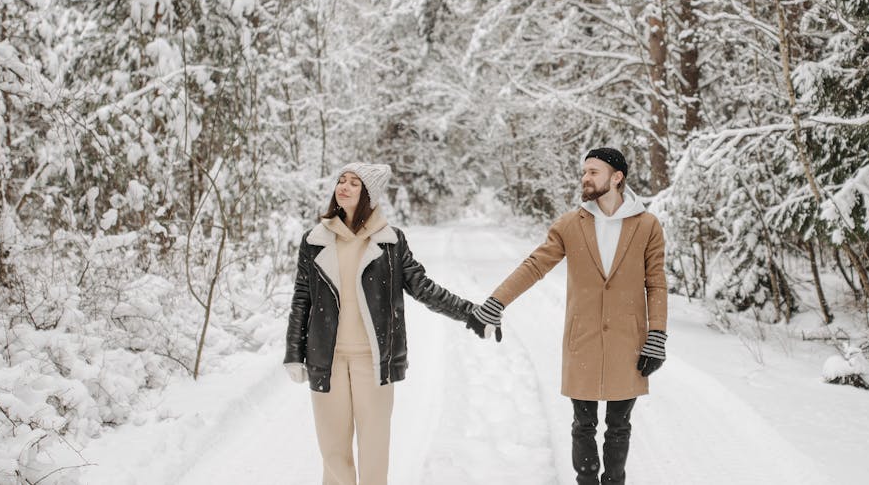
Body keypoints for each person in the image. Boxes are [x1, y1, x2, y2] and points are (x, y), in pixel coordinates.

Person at [467, 148, 668, 485]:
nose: (585, 178)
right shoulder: (570, 224)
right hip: (583, 340)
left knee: (619, 426)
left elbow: (656, 283)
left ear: (616, 177)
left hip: (628, 341)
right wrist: (496, 302)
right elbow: (534, 266)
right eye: (584, 171)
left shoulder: (646, 225)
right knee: (583, 424)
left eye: (593, 171)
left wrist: (657, 336)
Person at [284, 162, 489, 485]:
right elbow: (302, 297)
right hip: (327, 359)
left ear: (368, 194)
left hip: (374, 361)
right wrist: (294, 351)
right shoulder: (315, 240)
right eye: (341, 180)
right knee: (333, 451)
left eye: (354, 183)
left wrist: (469, 313)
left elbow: (423, 287)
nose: (345, 187)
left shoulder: (391, 242)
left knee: (374, 449)